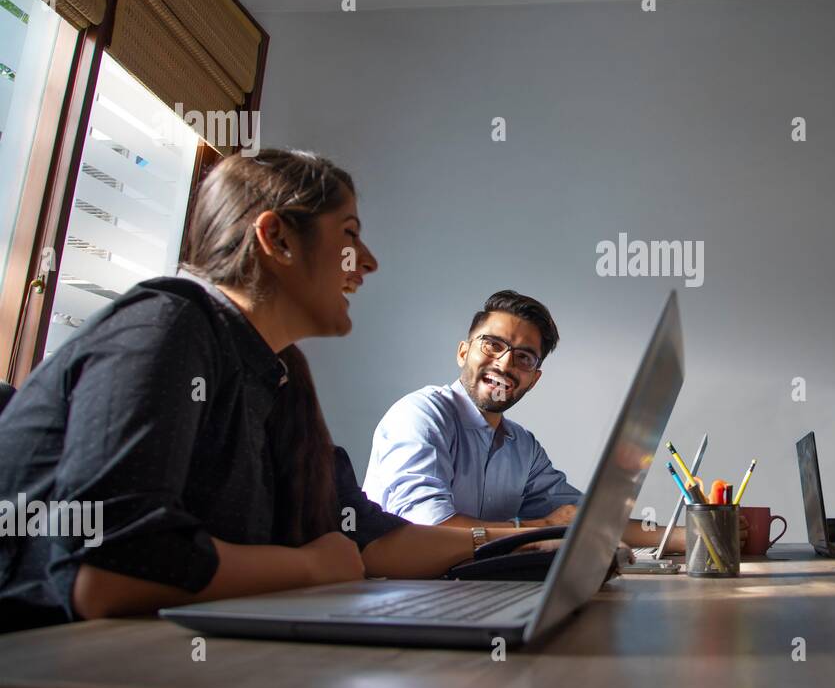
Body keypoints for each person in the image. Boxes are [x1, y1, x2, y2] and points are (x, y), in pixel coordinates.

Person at [0, 150, 529, 632]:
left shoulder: (278, 376)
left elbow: (375, 543)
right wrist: (308, 567)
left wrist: (541, 537)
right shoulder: (165, 327)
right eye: (349, 234)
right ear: (276, 238)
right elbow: (107, 577)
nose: (367, 261)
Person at [364, 290, 703, 551]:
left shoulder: (522, 446)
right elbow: (430, 529)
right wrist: (542, 525)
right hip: (400, 593)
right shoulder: (420, 415)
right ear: (463, 352)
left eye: (523, 357)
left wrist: (695, 536)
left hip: (471, 588)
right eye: (493, 345)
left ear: (534, 378)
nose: (505, 363)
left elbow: (582, 517)